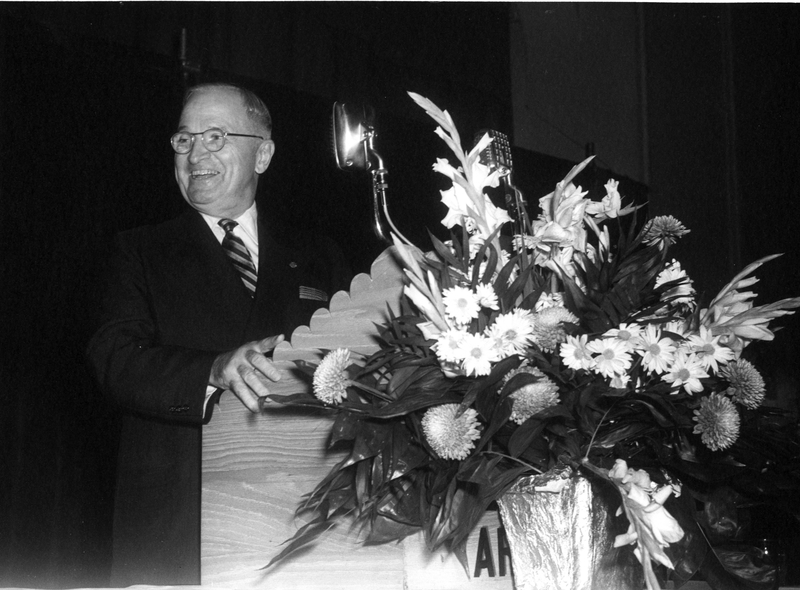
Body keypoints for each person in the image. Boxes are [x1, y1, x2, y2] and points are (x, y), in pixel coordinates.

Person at [87, 82, 350, 586]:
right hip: (179, 526)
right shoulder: (137, 250)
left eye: (215, 136)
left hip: (300, 522)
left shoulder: (321, 256)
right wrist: (211, 370)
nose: (195, 154)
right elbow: (114, 359)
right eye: (184, 140)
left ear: (264, 154)